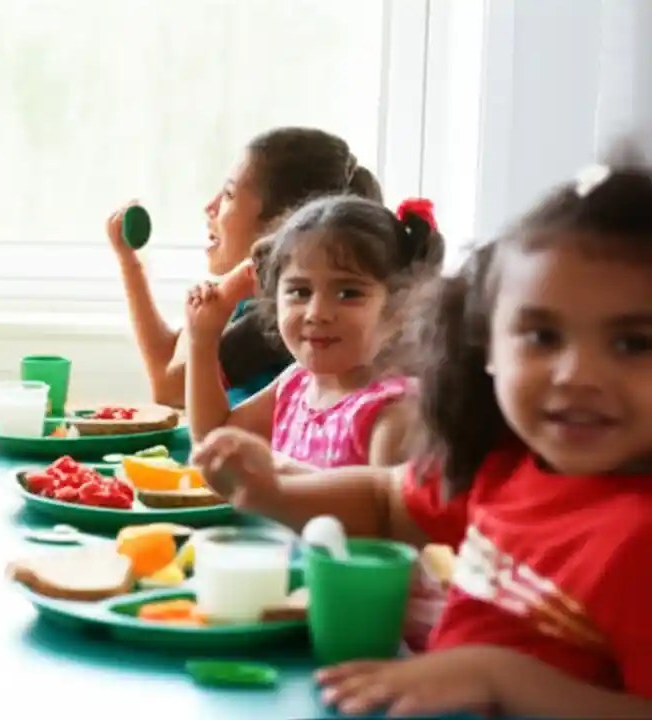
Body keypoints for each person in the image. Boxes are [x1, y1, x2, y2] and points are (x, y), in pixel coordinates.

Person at [192, 155, 652, 717]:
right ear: (485, 344)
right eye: (542, 335)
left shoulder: (637, 537)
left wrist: (498, 676)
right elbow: (387, 502)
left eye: (633, 344)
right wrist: (273, 489)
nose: (576, 374)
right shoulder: (503, 468)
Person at [106, 127, 382, 409]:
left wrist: (222, 298)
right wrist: (130, 264)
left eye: (228, 195)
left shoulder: (277, 317)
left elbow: (170, 388)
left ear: (279, 222)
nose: (209, 207)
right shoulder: (244, 298)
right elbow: (170, 361)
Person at [185, 195, 443, 471]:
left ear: (399, 305)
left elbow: (384, 512)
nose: (317, 312)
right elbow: (214, 441)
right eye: (300, 292)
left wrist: (280, 478)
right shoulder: (296, 384)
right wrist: (202, 340)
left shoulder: (394, 412)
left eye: (348, 293)